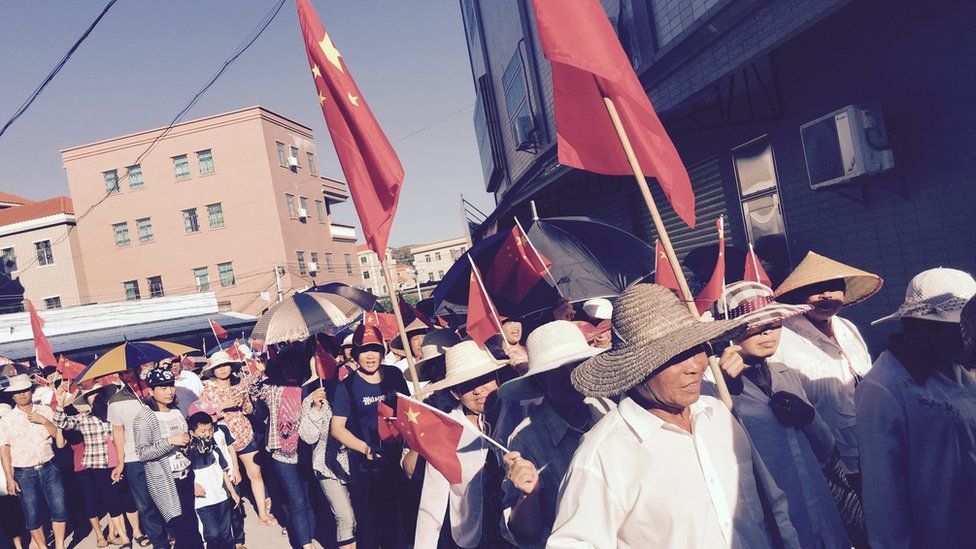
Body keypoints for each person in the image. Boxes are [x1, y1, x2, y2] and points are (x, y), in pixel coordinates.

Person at [548, 284, 798, 548]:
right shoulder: (603, 455)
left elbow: (772, 505)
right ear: (636, 373)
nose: (694, 366)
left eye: (696, 348)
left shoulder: (718, 415)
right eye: (674, 357)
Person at [714, 281, 850, 548]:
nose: (768, 333)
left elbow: (827, 449)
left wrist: (808, 417)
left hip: (817, 510)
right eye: (756, 325)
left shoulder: (786, 375)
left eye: (774, 323)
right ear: (731, 332)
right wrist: (726, 397)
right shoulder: (714, 387)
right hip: (770, 524)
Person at [856, 268, 976, 548]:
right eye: (959, 328)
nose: (968, 338)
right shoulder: (884, 386)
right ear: (922, 325)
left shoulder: (961, 371)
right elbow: (882, 496)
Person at [496, 321, 612, 548]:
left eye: (577, 364)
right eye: (558, 370)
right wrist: (528, 495)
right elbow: (524, 535)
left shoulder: (606, 408)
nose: (571, 375)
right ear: (539, 380)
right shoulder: (524, 440)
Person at [772, 251, 882, 483]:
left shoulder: (847, 327)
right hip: (825, 458)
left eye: (833, 287)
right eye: (816, 289)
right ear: (799, 294)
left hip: (872, 446)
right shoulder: (783, 336)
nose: (826, 296)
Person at [413, 340, 514, 548]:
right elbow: (432, 500)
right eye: (467, 386)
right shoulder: (447, 430)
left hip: (519, 530)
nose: (478, 390)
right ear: (455, 393)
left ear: (496, 378)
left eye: (484, 379)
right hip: (474, 535)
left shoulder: (516, 410)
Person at [331, 325, 409, 549]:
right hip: (369, 467)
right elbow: (337, 428)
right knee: (376, 525)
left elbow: (408, 408)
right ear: (355, 354)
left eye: (375, 349)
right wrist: (364, 448)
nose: (370, 355)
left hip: (401, 458)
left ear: (382, 352)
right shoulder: (346, 386)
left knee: (404, 517)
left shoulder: (394, 375)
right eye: (365, 350)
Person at [247, 344, 316, 549]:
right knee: (296, 501)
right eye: (285, 365)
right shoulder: (273, 387)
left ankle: (309, 539)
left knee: (307, 500)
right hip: (282, 452)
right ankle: (305, 545)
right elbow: (253, 391)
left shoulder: (309, 385)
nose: (290, 369)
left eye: (294, 364)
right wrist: (260, 372)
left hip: (305, 448)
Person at [198, 351, 275, 527]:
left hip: (244, 435)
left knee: (255, 474)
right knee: (231, 478)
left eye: (225, 365)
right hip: (223, 442)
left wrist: (243, 402)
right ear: (212, 370)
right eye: (218, 366)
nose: (222, 369)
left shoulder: (240, 385)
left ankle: (262, 513)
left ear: (231, 367)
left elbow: (249, 410)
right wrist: (222, 406)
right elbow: (204, 418)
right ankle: (235, 520)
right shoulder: (207, 391)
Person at [133, 365, 203, 549]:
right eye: (162, 387)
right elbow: (142, 452)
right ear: (151, 391)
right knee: (183, 531)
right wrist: (170, 441)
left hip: (186, 476)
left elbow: (183, 440)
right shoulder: (144, 417)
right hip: (166, 482)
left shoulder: (176, 410)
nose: (169, 391)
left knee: (192, 529)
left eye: (171, 385)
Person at [54, 383, 131, 548]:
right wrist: (60, 404)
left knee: (123, 498)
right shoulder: (84, 418)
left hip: (120, 460)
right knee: (111, 500)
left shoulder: (113, 413)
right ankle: (124, 537)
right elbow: (62, 423)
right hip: (98, 465)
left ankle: (120, 533)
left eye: (98, 393)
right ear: (86, 400)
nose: (95, 397)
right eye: (91, 394)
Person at [0, 374, 68, 549]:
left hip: (49, 466)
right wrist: (9, 478)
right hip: (23, 471)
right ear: (12, 396)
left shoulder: (45, 410)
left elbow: (58, 436)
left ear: (31, 391)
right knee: (32, 514)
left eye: (25, 390)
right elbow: (4, 449)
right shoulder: (6, 420)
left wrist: (44, 421)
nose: (22, 394)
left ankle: (59, 546)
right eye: (18, 392)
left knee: (59, 508)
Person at [109, 368, 168, 549]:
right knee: (144, 504)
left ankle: (173, 534)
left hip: (161, 452)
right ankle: (160, 543)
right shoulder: (115, 401)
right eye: (121, 373)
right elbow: (118, 432)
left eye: (129, 371)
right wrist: (120, 462)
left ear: (138, 370)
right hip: (134, 458)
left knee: (166, 498)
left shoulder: (154, 390)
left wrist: (149, 398)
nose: (126, 376)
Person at [299, 384, 356, 549]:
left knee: (360, 517)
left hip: (355, 463)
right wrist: (316, 407)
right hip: (327, 464)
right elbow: (308, 437)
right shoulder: (312, 398)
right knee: (346, 518)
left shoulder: (351, 390)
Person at [186, 411, 239, 549]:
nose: (207, 434)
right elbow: (184, 475)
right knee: (212, 535)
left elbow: (224, 470)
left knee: (227, 534)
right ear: (192, 432)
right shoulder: (188, 451)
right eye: (202, 431)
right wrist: (192, 485)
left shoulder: (215, 447)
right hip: (203, 501)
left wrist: (232, 493)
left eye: (210, 430)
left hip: (221, 496)